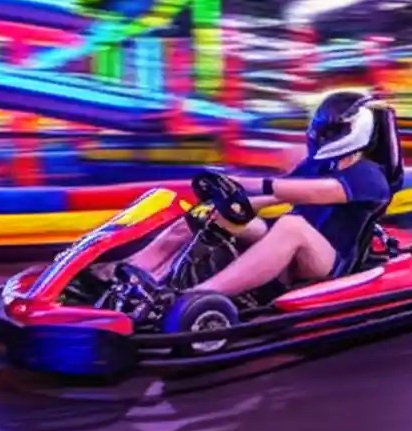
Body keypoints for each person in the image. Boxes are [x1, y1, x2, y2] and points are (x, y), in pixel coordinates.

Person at [124, 91, 394, 299]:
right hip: (292, 246)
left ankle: (200, 295)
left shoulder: (369, 175)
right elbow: (278, 196)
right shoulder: (319, 165)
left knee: (291, 226)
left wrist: (247, 183)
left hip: (330, 262)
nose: (321, 135)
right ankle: (132, 272)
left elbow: (315, 192)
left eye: (331, 131)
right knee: (208, 214)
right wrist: (230, 204)